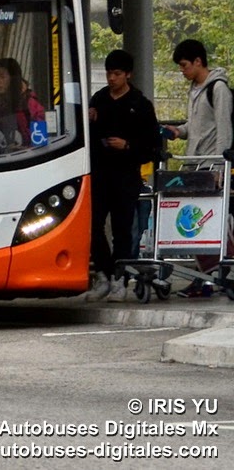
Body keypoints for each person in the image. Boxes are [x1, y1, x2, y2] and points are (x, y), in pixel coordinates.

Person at [84, 50, 160, 302]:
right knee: (93, 226)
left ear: (128, 74)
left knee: (122, 230)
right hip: (99, 174)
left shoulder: (140, 104)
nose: (111, 78)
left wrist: (127, 146)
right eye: (108, 73)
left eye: (116, 74)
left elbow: (152, 145)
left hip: (126, 175)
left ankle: (120, 278)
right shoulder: (99, 99)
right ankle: (104, 274)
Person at [167, 38, 232, 292]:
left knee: (209, 222)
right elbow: (196, 128)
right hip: (194, 163)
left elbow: (224, 131)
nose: (182, 71)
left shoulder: (218, 89)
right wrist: (178, 131)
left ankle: (219, 272)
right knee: (194, 224)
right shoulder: (194, 90)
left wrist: (220, 168)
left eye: (184, 65)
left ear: (198, 61)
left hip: (210, 165)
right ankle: (207, 274)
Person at [0, 57, 44, 153]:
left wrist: (27, 150)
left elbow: (40, 140)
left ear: (13, 79)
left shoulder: (29, 104)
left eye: (2, 76)